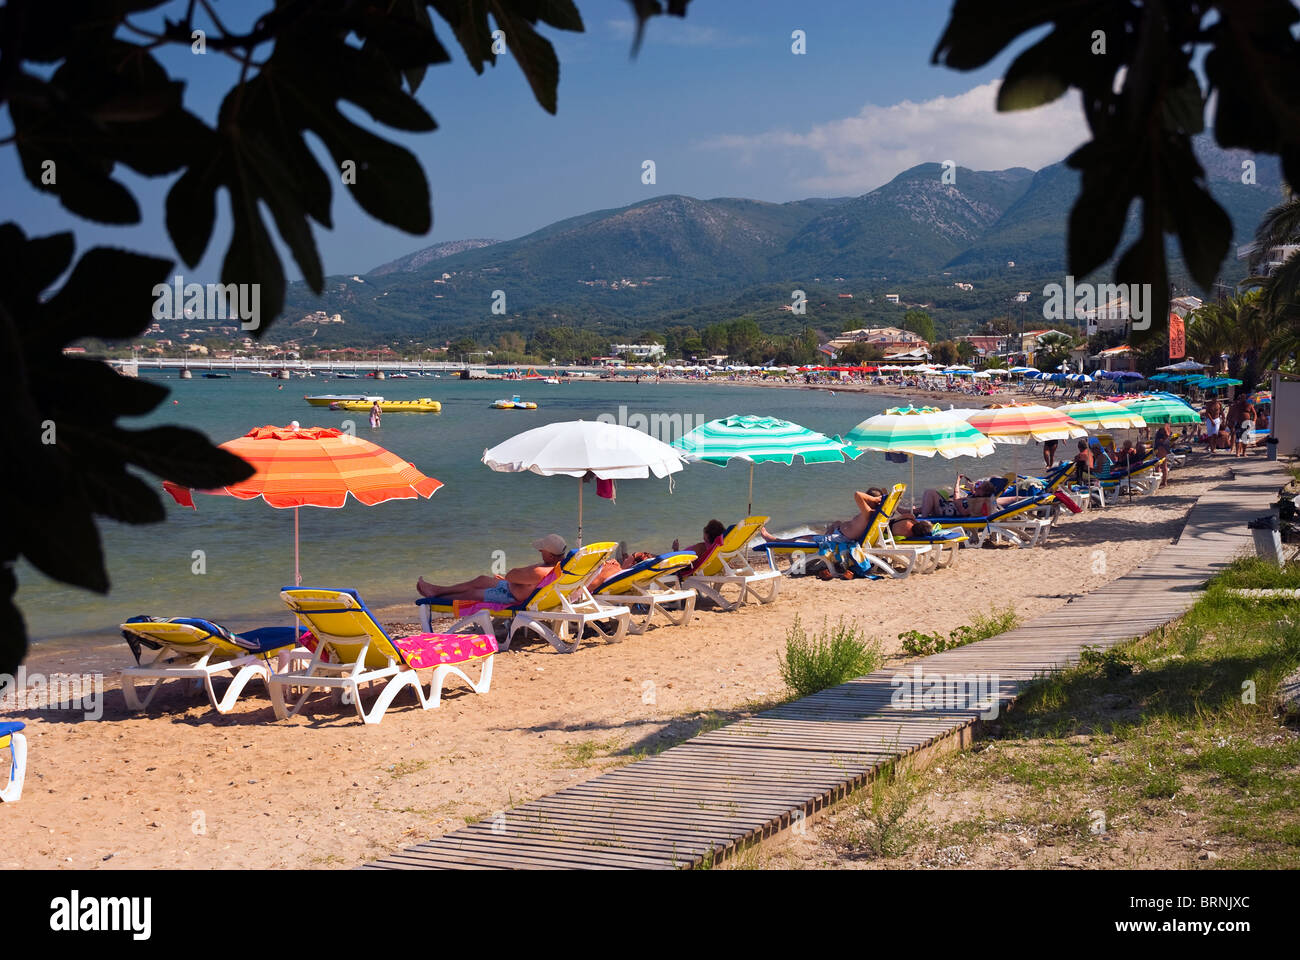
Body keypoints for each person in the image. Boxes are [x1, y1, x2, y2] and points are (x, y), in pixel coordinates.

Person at [416, 534, 567, 604]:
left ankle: (434, 599)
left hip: (510, 596)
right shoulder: (562, 566)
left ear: (551, 556)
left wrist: (516, 577)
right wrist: (514, 580)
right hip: (513, 588)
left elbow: (511, 575)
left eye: (542, 551)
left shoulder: (540, 571)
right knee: (481, 580)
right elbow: (518, 580)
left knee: (471, 594)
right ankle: (437, 590)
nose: (540, 551)